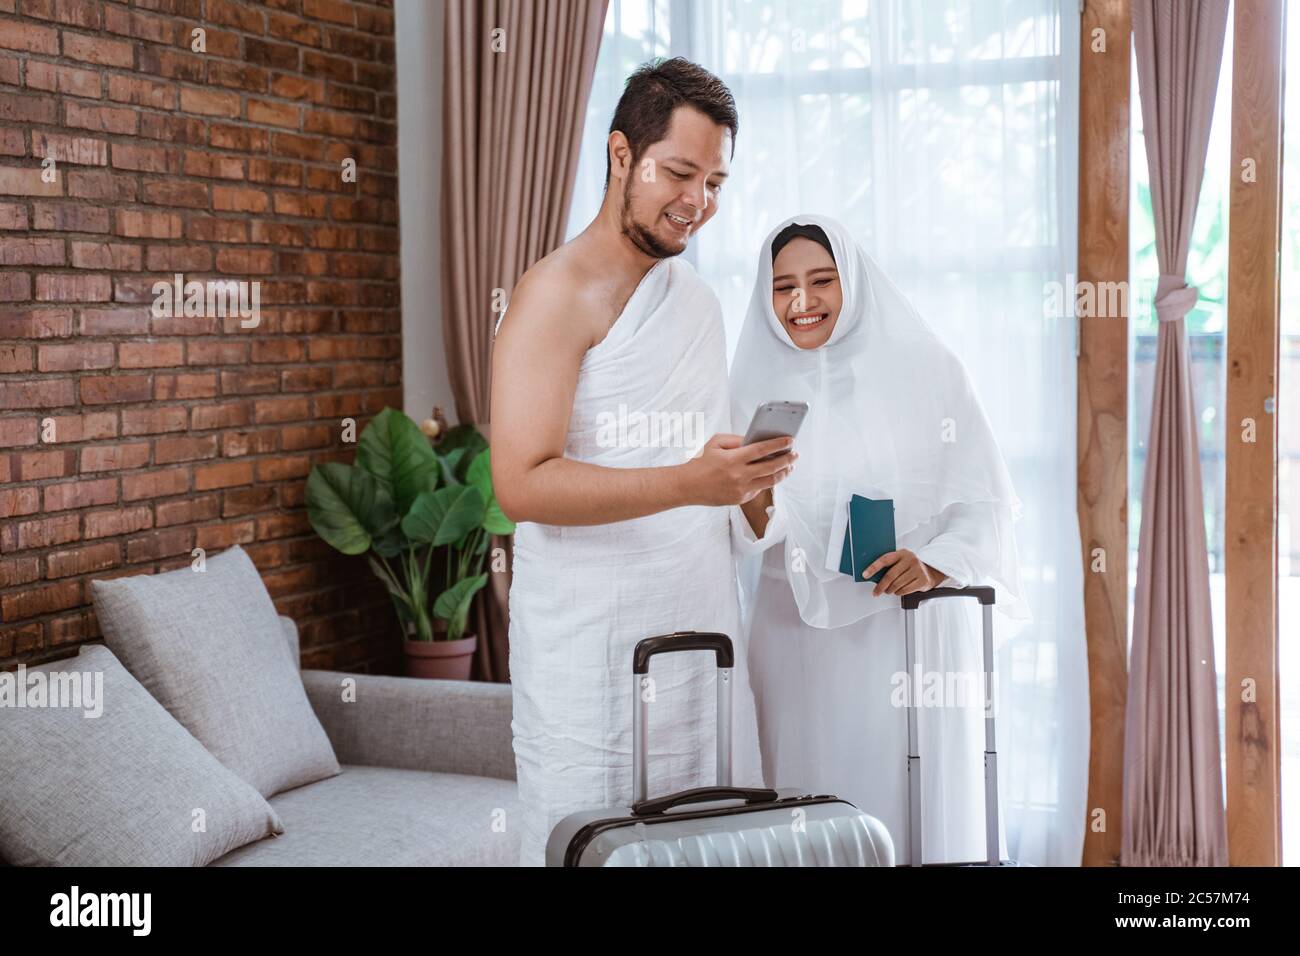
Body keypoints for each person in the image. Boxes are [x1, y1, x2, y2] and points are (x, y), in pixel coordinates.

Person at [490, 58, 795, 867]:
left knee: (704, 835)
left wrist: (750, 482)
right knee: (596, 837)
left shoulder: (694, 300)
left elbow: (710, 472)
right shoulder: (552, 297)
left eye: (717, 182)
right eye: (681, 173)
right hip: (589, 644)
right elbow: (520, 482)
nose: (698, 202)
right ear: (622, 153)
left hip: (696, 629)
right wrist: (692, 482)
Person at [730, 213, 1030, 865]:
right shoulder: (752, 384)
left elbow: (983, 503)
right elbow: (752, 529)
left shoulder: (928, 369)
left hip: (905, 629)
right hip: (796, 636)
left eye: (821, 281)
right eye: (782, 287)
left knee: (906, 792)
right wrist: (751, 496)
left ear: (854, 282)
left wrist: (932, 563)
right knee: (808, 795)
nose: (801, 303)